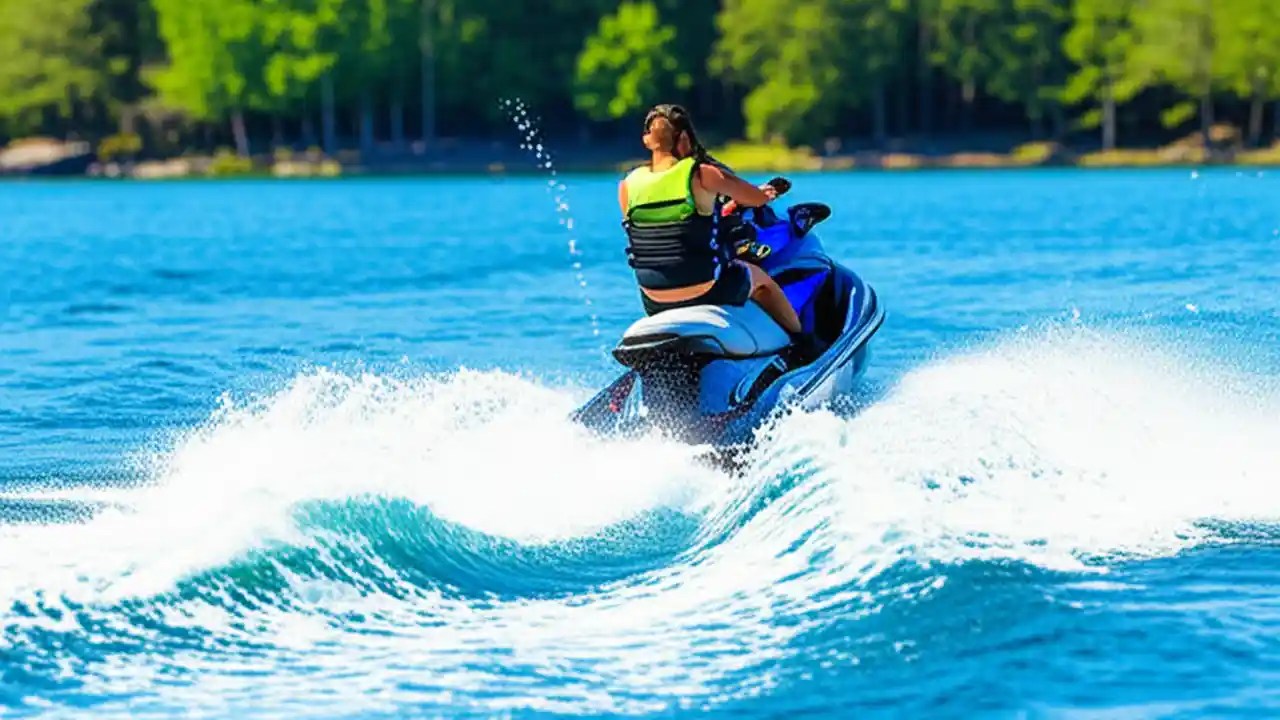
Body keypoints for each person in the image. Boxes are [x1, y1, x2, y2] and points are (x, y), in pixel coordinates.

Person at [618, 103, 802, 337]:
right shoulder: (702, 174)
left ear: (646, 141)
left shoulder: (627, 186)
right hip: (704, 289)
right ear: (684, 138)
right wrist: (763, 193)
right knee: (762, 281)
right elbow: (756, 199)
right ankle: (802, 344)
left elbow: (661, 228)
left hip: (652, 296)